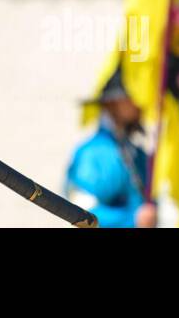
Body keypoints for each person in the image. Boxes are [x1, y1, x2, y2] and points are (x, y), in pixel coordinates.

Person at [66, 74, 157, 228]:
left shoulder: (136, 152)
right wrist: (134, 220)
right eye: (133, 97)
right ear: (114, 103)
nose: (140, 103)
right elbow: (81, 213)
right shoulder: (92, 153)